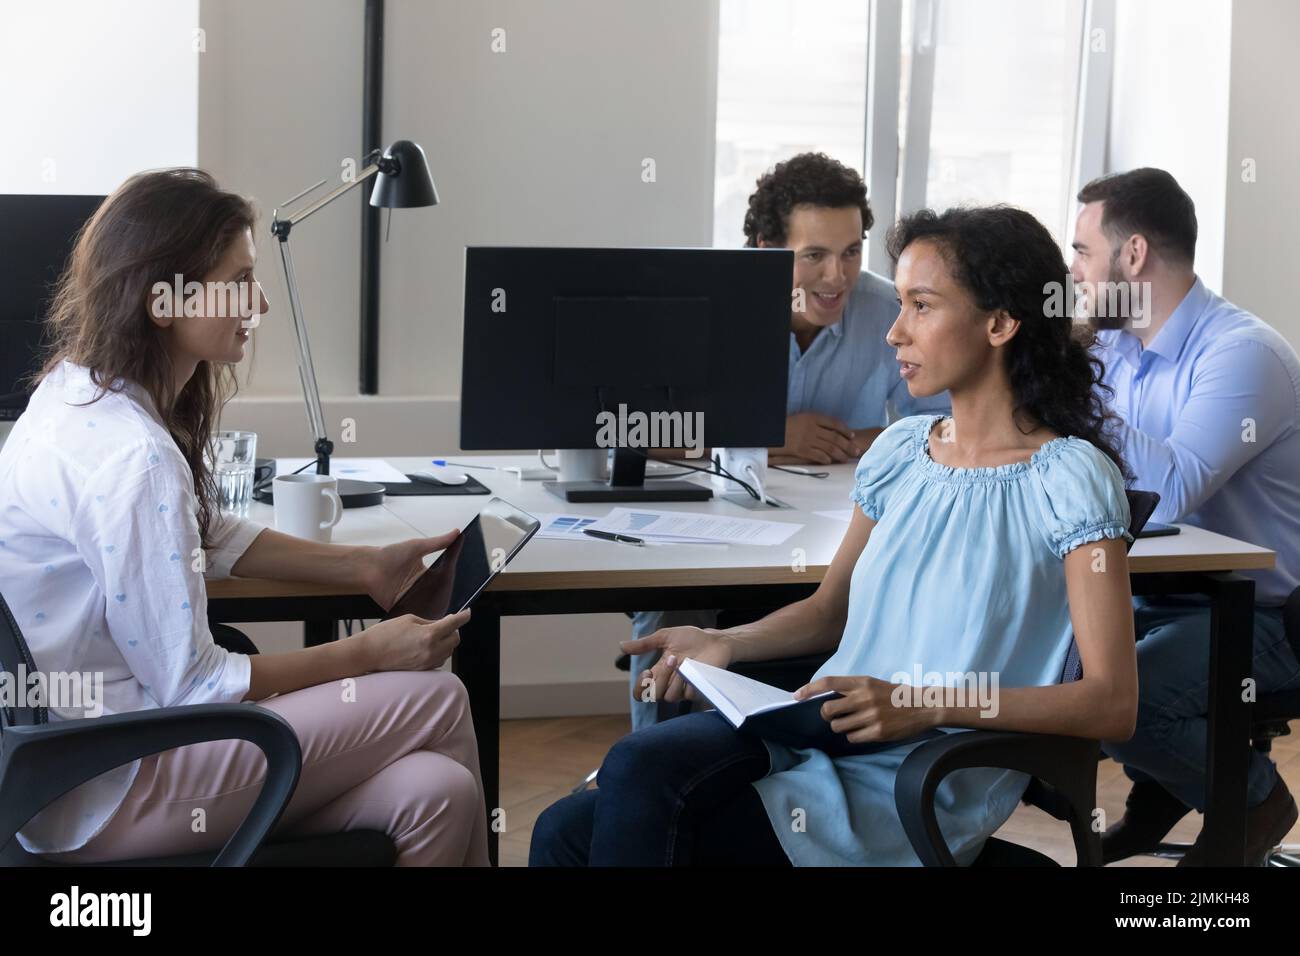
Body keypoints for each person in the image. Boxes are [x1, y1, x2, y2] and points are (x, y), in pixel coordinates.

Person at [530, 205, 1138, 866]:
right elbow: (830, 610)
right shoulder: (902, 452)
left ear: (999, 322)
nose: (894, 332)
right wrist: (725, 641)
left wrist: (921, 704)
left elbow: (1111, 704)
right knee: (567, 825)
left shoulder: (1071, 478)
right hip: (825, 738)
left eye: (923, 307)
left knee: (636, 782)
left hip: (919, 777)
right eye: (900, 303)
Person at [0, 168, 488, 866]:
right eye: (238, 279)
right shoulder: (134, 457)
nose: (257, 303)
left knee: (439, 791)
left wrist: (359, 565)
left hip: (66, 770)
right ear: (163, 299)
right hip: (112, 781)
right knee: (436, 697)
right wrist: (370, 655)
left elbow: (195, 536)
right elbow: (196, 685)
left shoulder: (73, 395)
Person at [629, 152, 950, 730]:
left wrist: (858, 439)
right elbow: (638, 431)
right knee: (674, 605)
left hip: (831, 536)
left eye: (852, 252)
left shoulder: (888, 309)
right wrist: (772, 437)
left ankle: (780, 763)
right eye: (815, 256)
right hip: (711, 532)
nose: (838, 277)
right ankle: (654, 764)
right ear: (765, 250)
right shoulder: (704, 304)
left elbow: (943, 427)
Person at [1069, 167, 1300, 865]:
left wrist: (1070, 388)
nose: (1072, 272)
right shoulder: (1114, 345)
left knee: (1118, 695)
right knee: (1045, 659)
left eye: (1082, 251)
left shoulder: (1243, 354)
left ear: (1132, 256)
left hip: (1263, 612)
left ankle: (1255, 799)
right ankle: (1164, 791)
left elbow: (1170, 492)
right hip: (1162, 592)